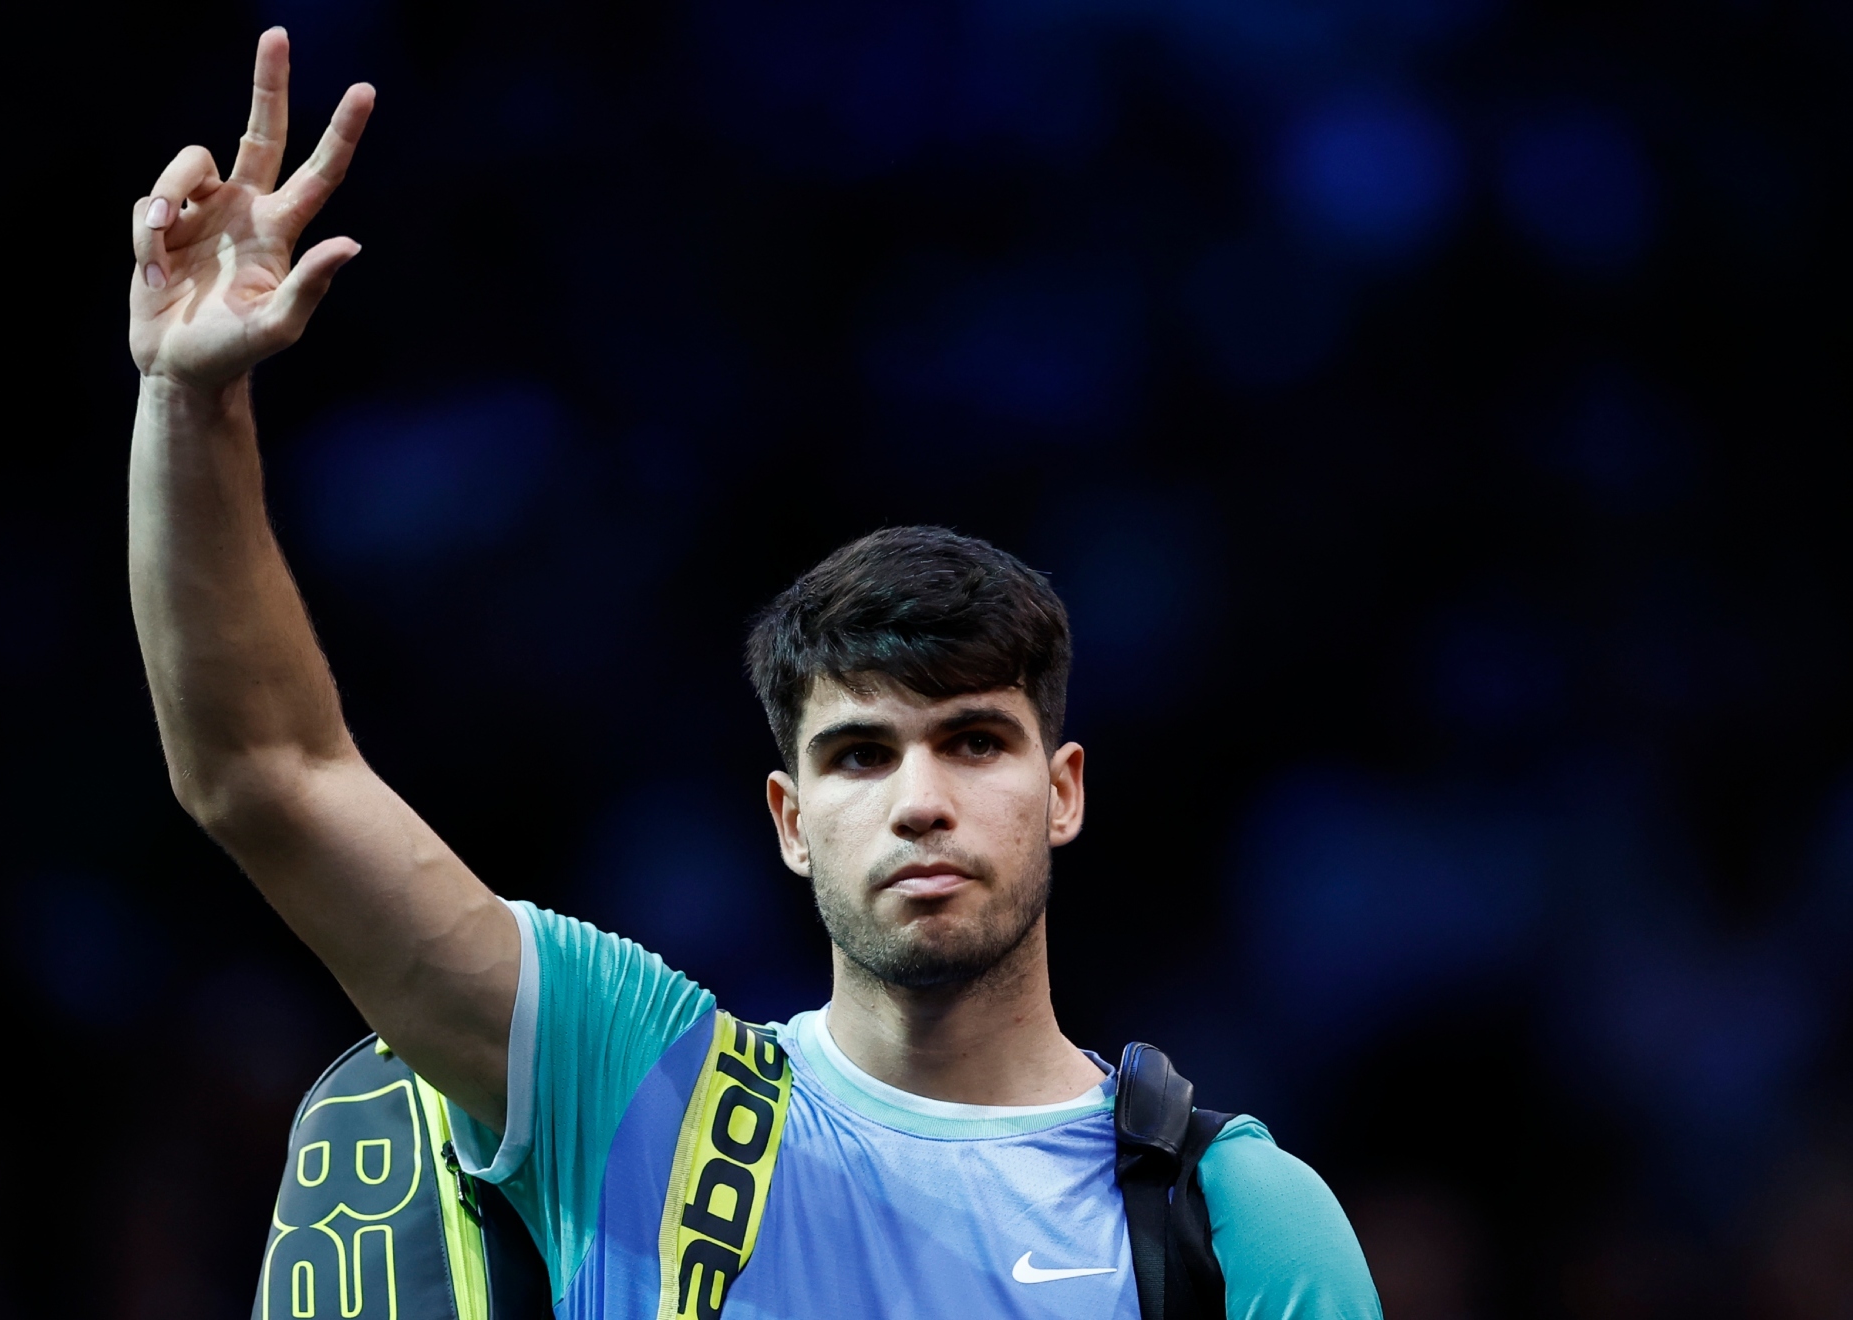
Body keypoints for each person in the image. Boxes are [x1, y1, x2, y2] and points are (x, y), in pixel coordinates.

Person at [126, 28, 1382, 1320]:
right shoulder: (630, 1087)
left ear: (1063, 790)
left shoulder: (1233, 1218)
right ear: (787, 820)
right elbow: (263, 773)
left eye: (974, 741)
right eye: (859, 753)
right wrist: (188, 402)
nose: (921, 799)